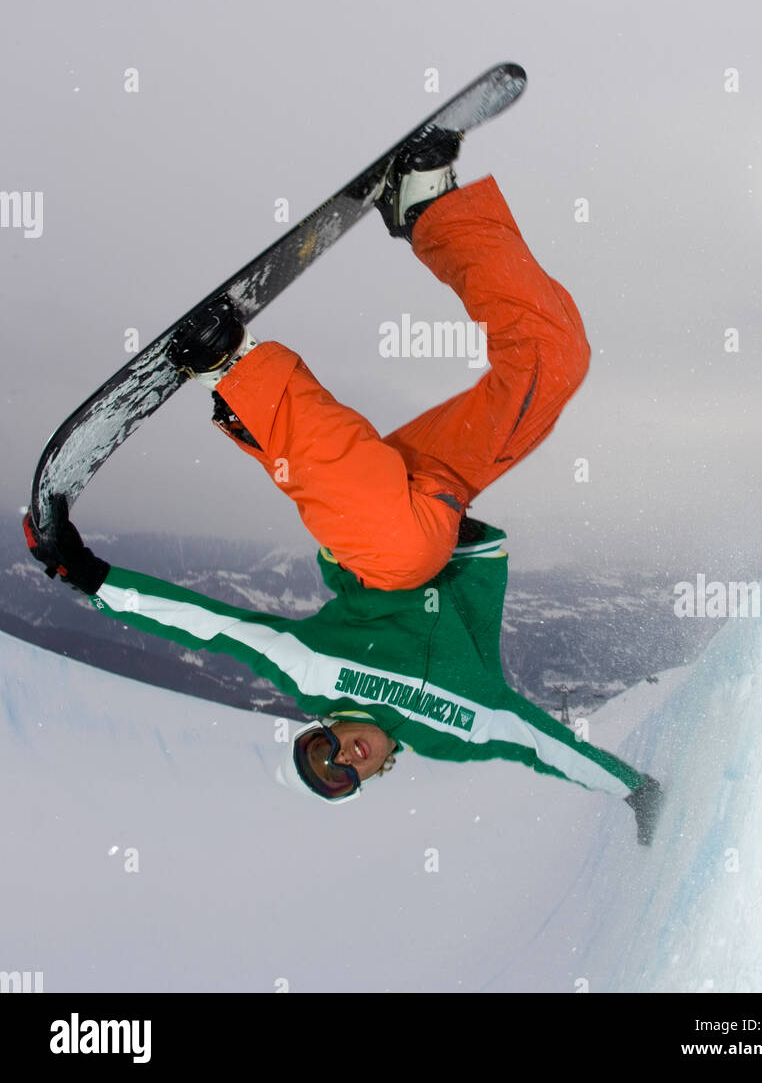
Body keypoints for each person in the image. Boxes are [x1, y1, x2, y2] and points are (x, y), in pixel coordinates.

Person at [24, 129, 664, 844]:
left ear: (315, 729)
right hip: (435, 501)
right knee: (554, 359)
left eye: (317, 752)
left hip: (382, 539)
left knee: (407, 549)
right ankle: (430, 207)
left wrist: (90, 577)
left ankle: (233, 375)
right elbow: (549, 750)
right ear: (371, 777)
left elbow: (209, 627)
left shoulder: (315, 673)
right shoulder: (467, 731)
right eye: (339, 777)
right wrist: (639, 793)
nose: (340, 757)